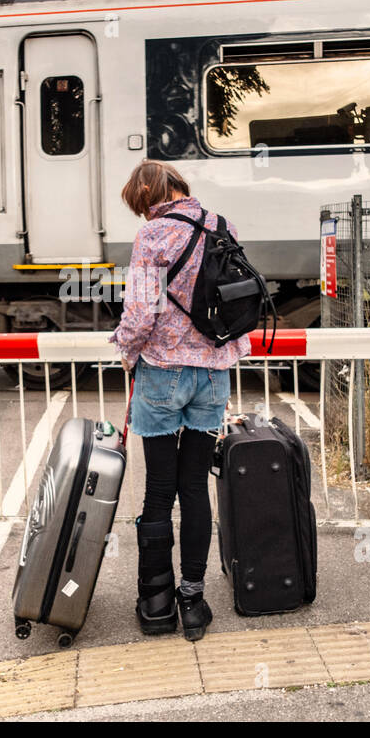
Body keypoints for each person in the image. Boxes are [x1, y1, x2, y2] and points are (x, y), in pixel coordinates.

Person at [109, 159, 250, 641]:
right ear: (177, 187)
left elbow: (141, 311)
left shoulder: (152, 237)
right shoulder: (222, 224)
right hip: (213, 374)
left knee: (158, 490)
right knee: (194, 489)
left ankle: (155, 602)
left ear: (145, 198)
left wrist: (126, 351)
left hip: (163, 374)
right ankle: (194, 599)